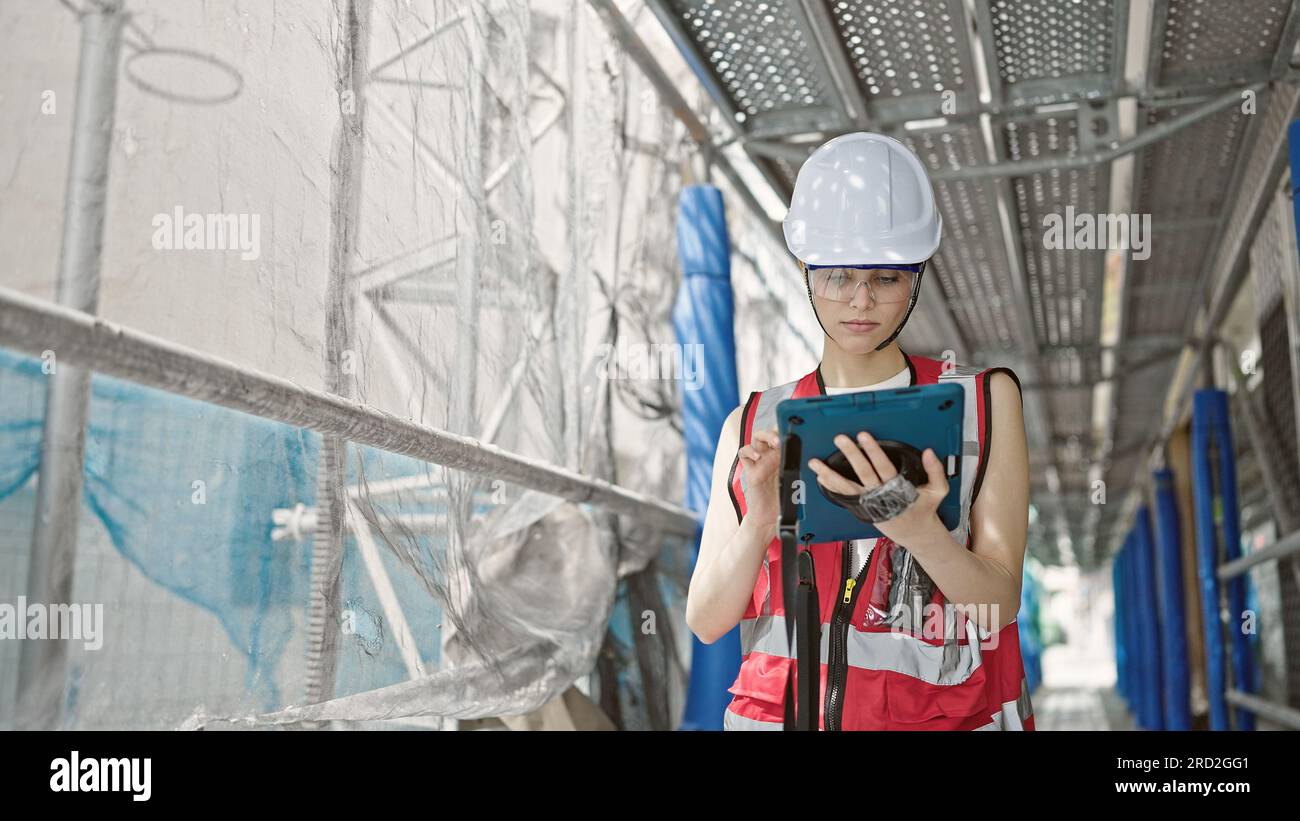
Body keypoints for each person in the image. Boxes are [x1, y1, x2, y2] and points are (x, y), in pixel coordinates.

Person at [685, 132, 1035, 730]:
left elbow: (996, 606)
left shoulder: (982, 403)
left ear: (917, 276)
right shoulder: (751, 424)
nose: (861, 299)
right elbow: (707, 620)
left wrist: (920, 533)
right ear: (805, 269)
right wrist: (762, 520)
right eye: (838, 276)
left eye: (886, 278)